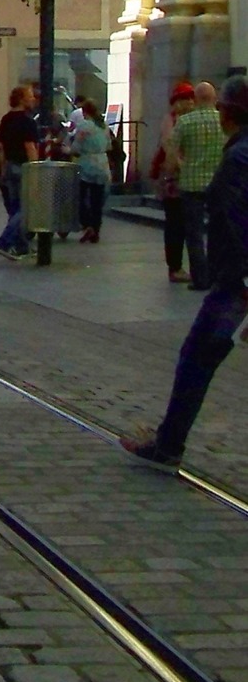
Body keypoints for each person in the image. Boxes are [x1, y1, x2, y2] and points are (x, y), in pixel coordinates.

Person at [121, 76, 248, 468]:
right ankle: (168, 441)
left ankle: (169, 445)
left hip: (236, 283)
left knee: (196, 357)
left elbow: (238, 226)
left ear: (228, 113)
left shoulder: (238, 159)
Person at [165, 81, 224, 291]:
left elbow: (171, 155)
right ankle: (217, 274)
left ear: (196, 99)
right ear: (215, 98)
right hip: (218, 184)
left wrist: (171, 174)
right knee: (218, 231)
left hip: (191, 184)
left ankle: (200, 278)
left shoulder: (184, 122)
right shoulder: (223, 121)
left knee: (194, 234)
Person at [0, 83, 40, 260]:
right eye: (30, 96)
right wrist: (36, 169)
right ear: (21, 100)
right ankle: (4, 242)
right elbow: (30, 148)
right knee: (26, 208)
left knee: (14, 207)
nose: (33, 99)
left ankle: (22, 246)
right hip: (23, 168)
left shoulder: (7, 119)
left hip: (9, 166)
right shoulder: (28, 122)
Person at [151, 82, 196, 281]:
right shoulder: (170, 120)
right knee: (175, 223)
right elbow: (169, 146)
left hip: (187, 178)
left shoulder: (190, 120)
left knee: (183, 224)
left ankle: (183, 266)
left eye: (191, 99)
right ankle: (175, 267)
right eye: (185, 99)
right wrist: (183, 165)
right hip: (173, 180)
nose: (189, 103)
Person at [69, 99, 113, 242]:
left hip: (87, 164)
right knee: (97, 200)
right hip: (102, 164)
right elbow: (109, 146)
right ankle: (96, 229)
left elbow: (76, 148)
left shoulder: (84, 126)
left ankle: (87, 224)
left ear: (84, 112)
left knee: (80, 196)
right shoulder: (104, 126)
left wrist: (69, 150)